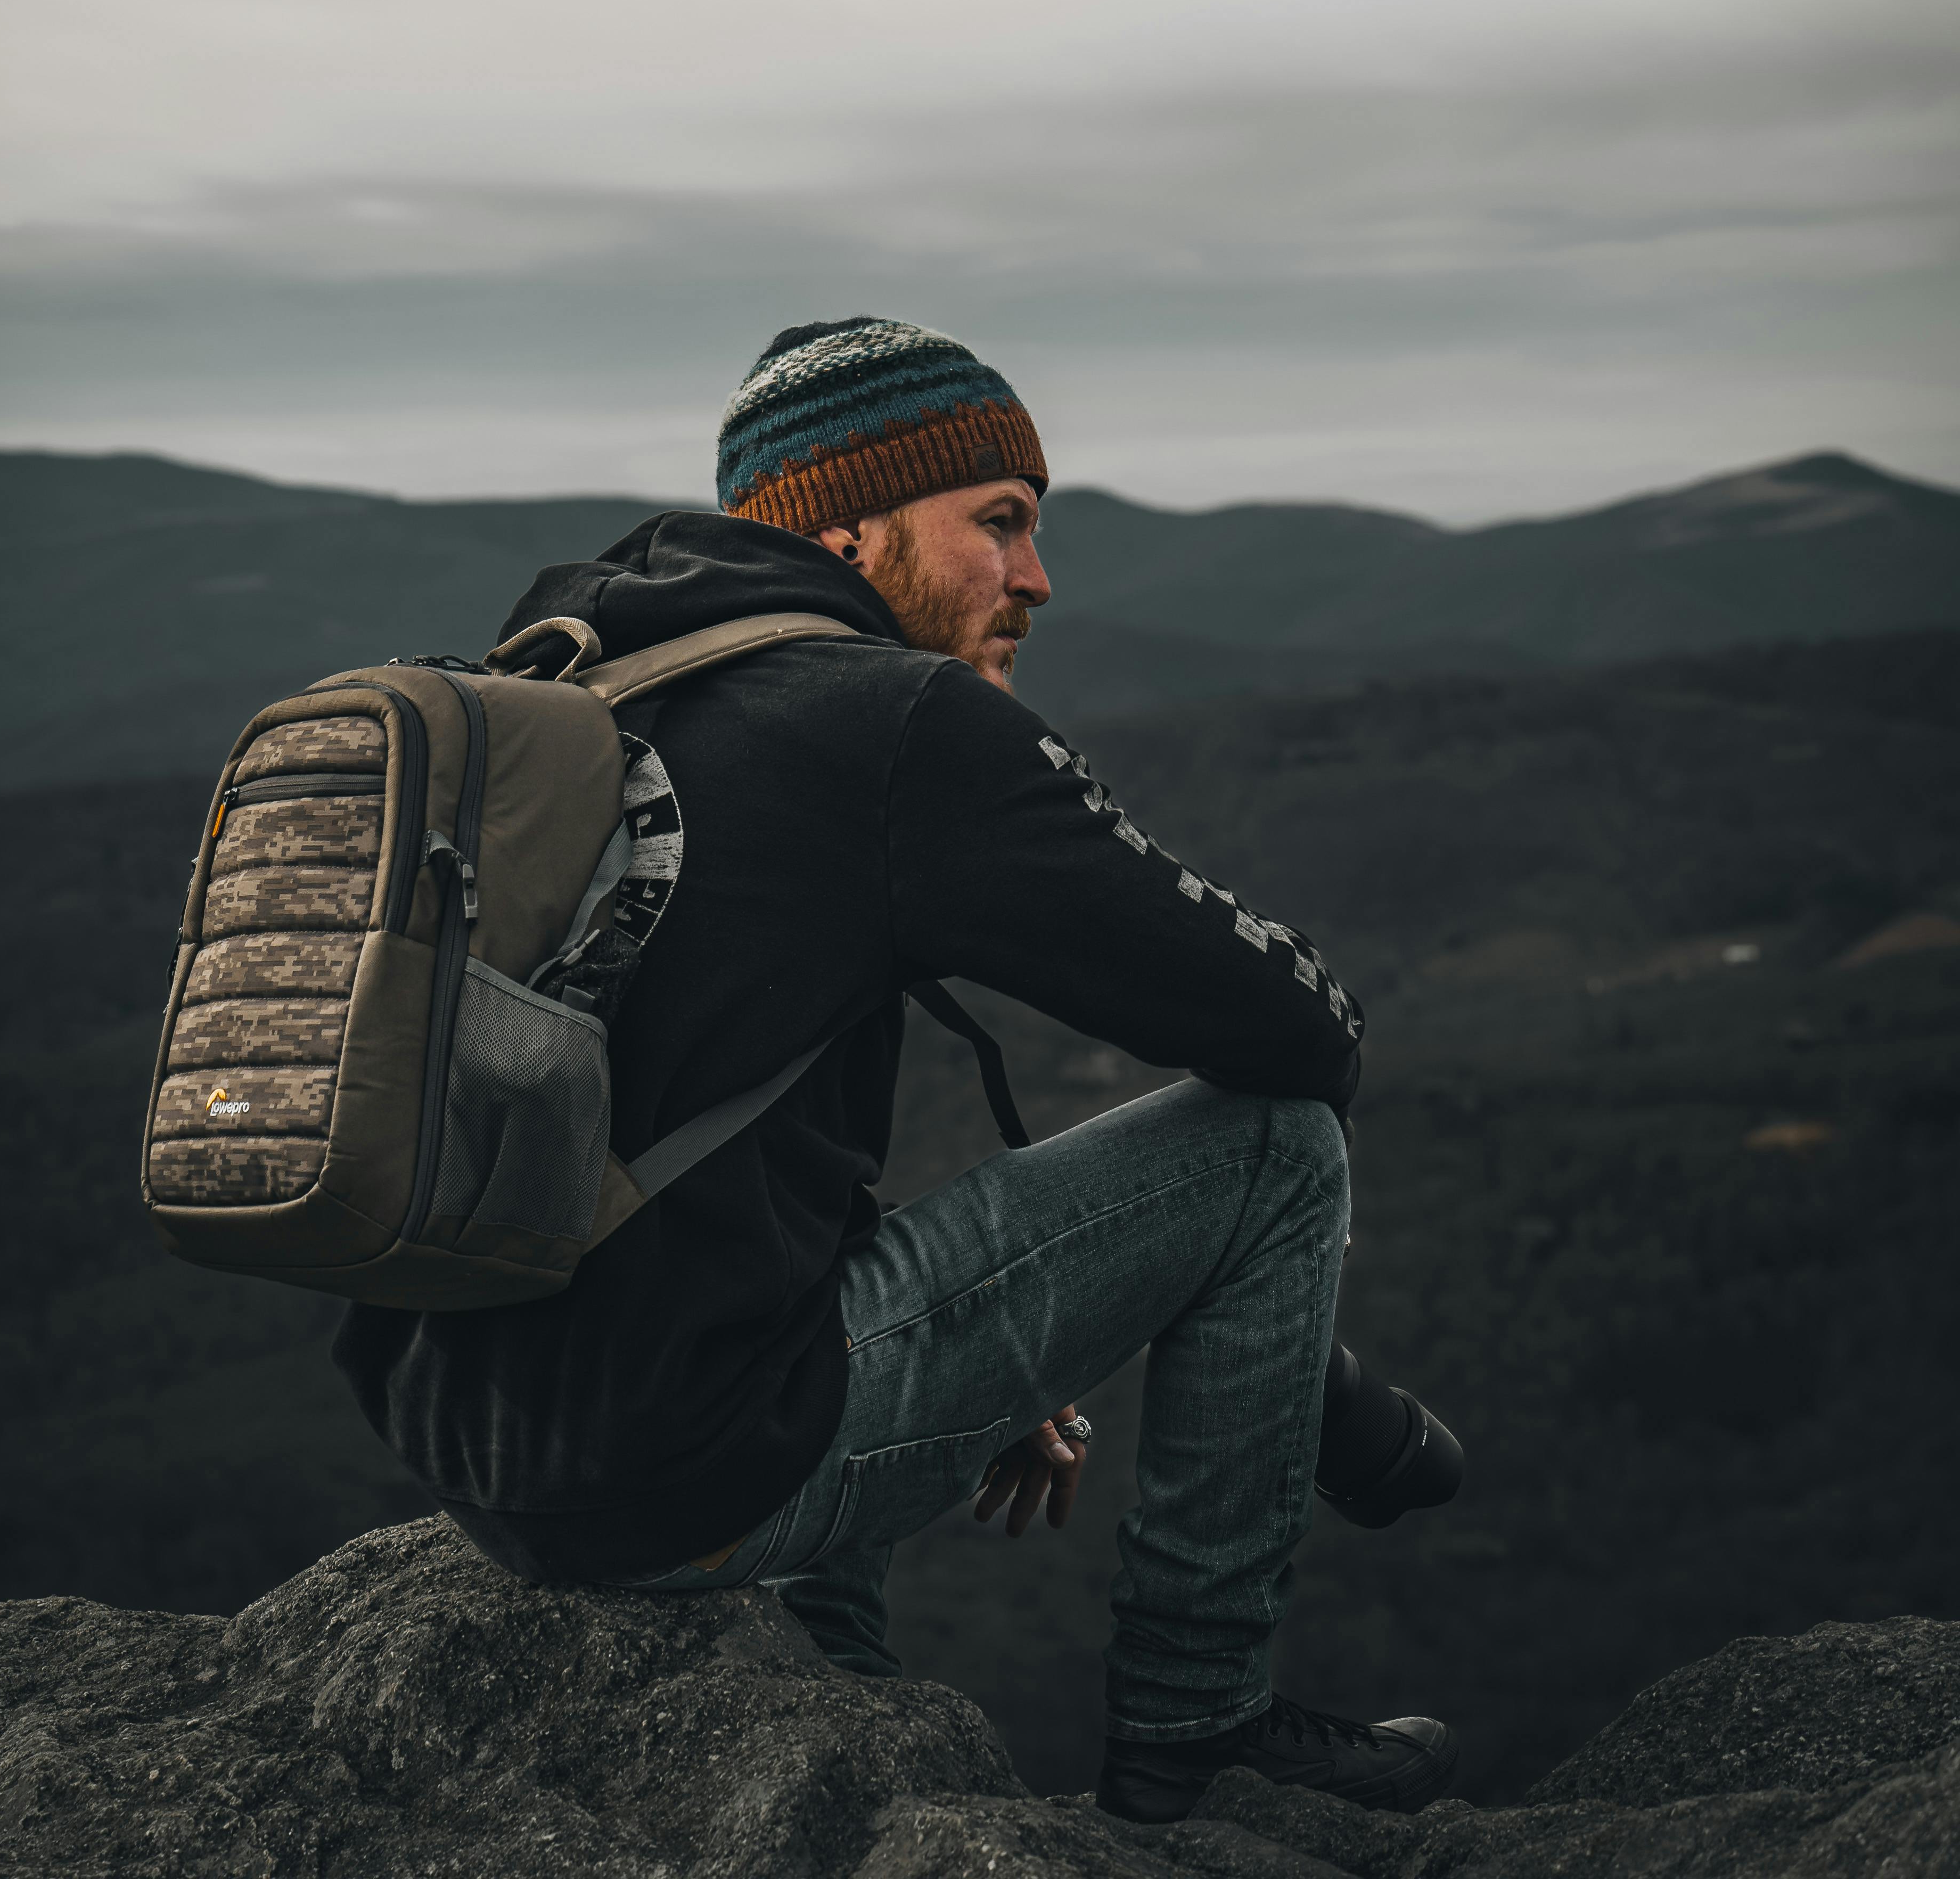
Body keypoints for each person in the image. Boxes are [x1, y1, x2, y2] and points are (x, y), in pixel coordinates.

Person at [334, 316, 1456, 1824]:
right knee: (1272, 1150)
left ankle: (842, 1706)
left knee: (808, 1239)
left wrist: (996, 1358)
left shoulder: (579, 682)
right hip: (682, 1475)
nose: (1036, 578)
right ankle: (1200, 1729)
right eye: (1000, 521)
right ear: (849, 529)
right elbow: (1294, 1036)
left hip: (478, 1454)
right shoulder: (891, 720)